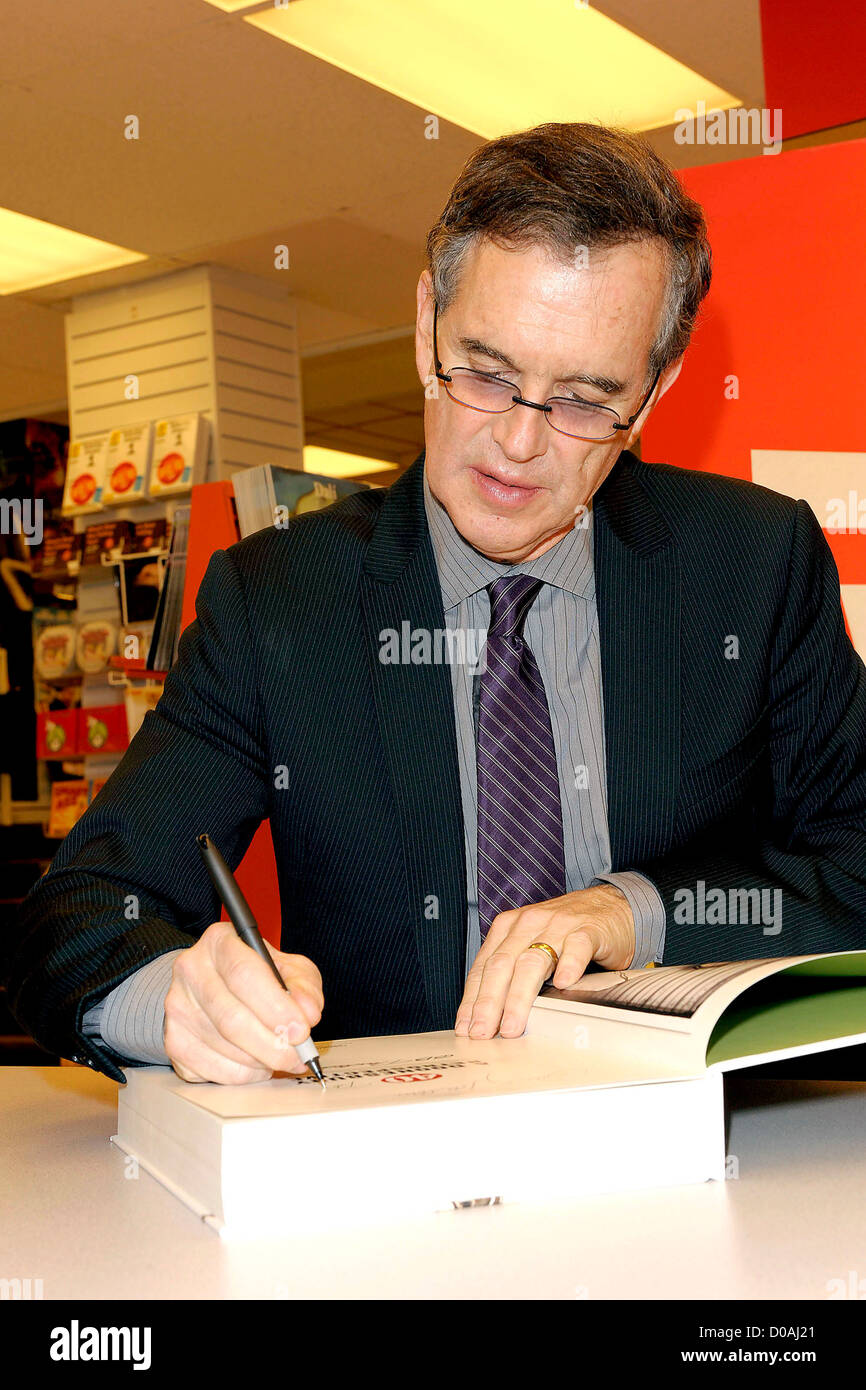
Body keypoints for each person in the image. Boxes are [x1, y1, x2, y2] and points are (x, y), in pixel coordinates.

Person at [6, 123, 866, 1088]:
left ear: (658, 389)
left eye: (585, 400)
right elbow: (78, 912)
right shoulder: (281, 603)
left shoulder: (752, 564)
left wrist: (637, 912)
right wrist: (175, 995)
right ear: (426, 324)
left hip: (709, 1157)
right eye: (486, 374)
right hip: (396, 1188)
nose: (519, 444)